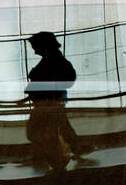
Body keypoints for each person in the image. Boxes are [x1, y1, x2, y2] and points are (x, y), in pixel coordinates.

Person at [24, 32, 89, 172]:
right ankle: (72, 152)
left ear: (43, 46)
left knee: (39, 132)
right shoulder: (54, 59)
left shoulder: (51, 61)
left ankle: (58, 161)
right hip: (51, 102)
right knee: (61, 128)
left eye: (34, 46)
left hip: (47, 104)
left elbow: (52, 80)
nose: (34, 49)